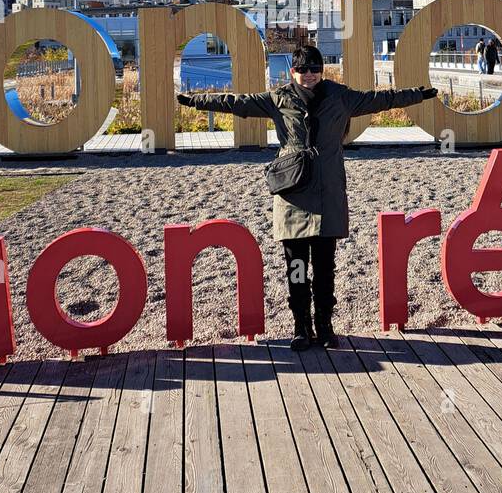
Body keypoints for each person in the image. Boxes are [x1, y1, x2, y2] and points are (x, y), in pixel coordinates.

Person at [177, 45, 436, 351]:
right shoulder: (279, 98)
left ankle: (325, 326)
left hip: (327, 195)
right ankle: (302, 327)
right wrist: (195, 101)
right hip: (294, 196)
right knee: (297, 267)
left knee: (325, 268)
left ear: (321, 70)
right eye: (303, 70)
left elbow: (382, 99)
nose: (309, 75)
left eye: (315, 69)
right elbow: (238, 103)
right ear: (293, 72)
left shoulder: (341, 97)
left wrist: (418, 94)